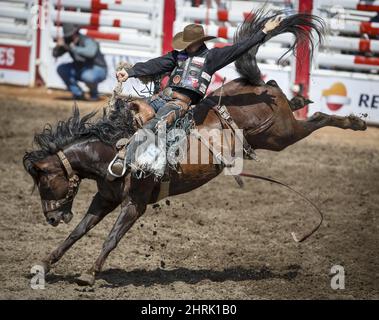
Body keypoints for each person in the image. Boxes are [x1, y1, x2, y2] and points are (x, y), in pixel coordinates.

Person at [108, 16, 282, 178]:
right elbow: (156, 64)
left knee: (156, 124)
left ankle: (124, 159)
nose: (185, 45)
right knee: (125, 109)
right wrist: (130, 72)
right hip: (161, 97)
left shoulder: (212, 57)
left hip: (179, 103)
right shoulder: (178, 56)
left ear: (197, 42)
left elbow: (238, 49)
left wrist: (263, 31)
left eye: (188, 41)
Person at [53, 24, 107, 101]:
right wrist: (59, 46)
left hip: (98, 68)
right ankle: (78, 94)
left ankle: (94, 94)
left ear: (76, 33)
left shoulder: (87, 40)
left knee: (87, 76)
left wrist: (73, 48)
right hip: (81, 68)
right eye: (68, 36)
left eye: (71, 35)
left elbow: (91, 53)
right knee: (62, 69)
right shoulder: (68, 42)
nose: (70, 38)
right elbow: (55, 54)